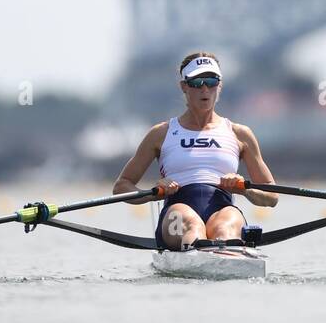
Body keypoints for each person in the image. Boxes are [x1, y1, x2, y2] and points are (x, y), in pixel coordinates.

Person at [112, 51, 278, 249]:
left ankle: (222, 255)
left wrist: (244, 189)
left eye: (211, 81)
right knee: (193, 227)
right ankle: (202, 252)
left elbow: (271, 197)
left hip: (222, 207)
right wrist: (155, 194)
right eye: (197, 82)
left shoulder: (240, 134)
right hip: (178, 209)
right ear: (184, 86)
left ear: (220, 85)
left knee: (224, 229)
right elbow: (121, 187)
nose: (205, 89)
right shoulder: (161, 133)